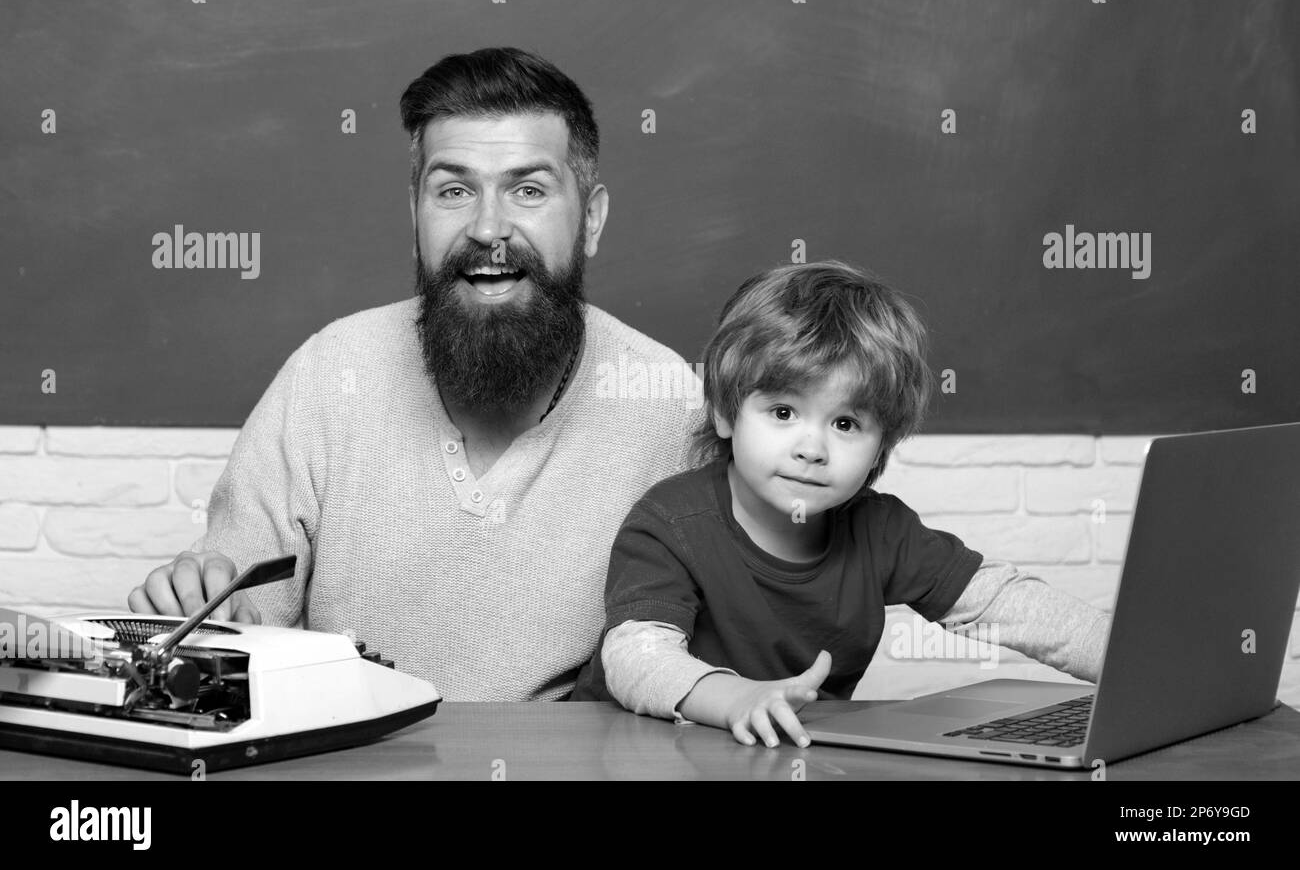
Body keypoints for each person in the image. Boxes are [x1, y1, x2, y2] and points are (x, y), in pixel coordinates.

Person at [127, 47, 701, 701]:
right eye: (453, 191)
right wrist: (202, 598)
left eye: (529, 190)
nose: (489, 228)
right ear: (414, 214)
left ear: (591, 219)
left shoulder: (669, 402)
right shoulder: (329, 371)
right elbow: (241, 592)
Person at [572, 260, 1111, 747]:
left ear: (882, 447)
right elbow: (635, 655)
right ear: (726, 415)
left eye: (846, 423)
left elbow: (998, 602)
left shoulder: (880, 530)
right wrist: (732, 697)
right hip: (627, 751)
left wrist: (1134, 659)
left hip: (779, 753)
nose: (812, 448)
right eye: (783, 412)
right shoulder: (671, 522)